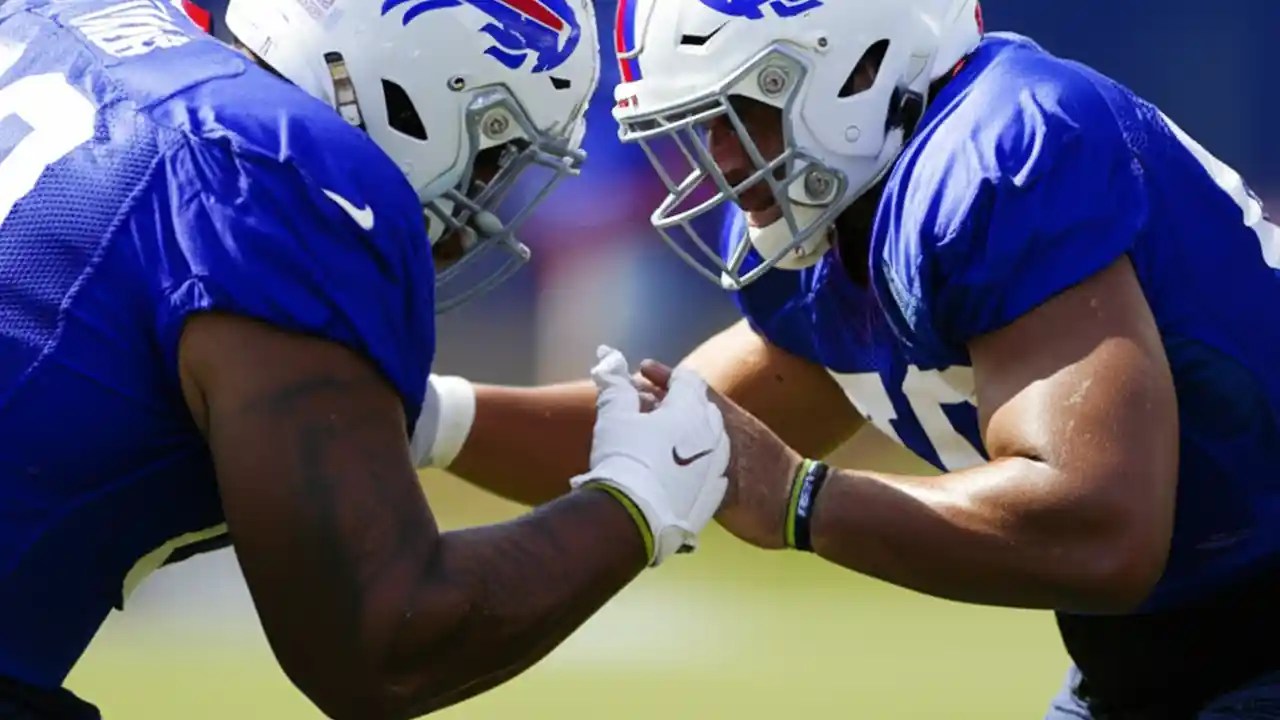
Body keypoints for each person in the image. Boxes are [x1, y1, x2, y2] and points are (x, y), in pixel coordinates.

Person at [416, 0, 1280, 716]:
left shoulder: (1003, 149)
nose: (722, 160)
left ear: (861, 66)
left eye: (743, 110)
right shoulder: (852, 215)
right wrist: (418, 415)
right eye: (705, 124)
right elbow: (657, 441)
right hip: (1164, 654)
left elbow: (1103, 530)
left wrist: (802, 503)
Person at [0, 0, 733, 717]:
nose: (485, 198)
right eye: (496, 152)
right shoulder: (283, 174)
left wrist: (411, 421)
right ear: (409, 97)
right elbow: (385, 645)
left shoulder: (77, 20)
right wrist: (636, 502)